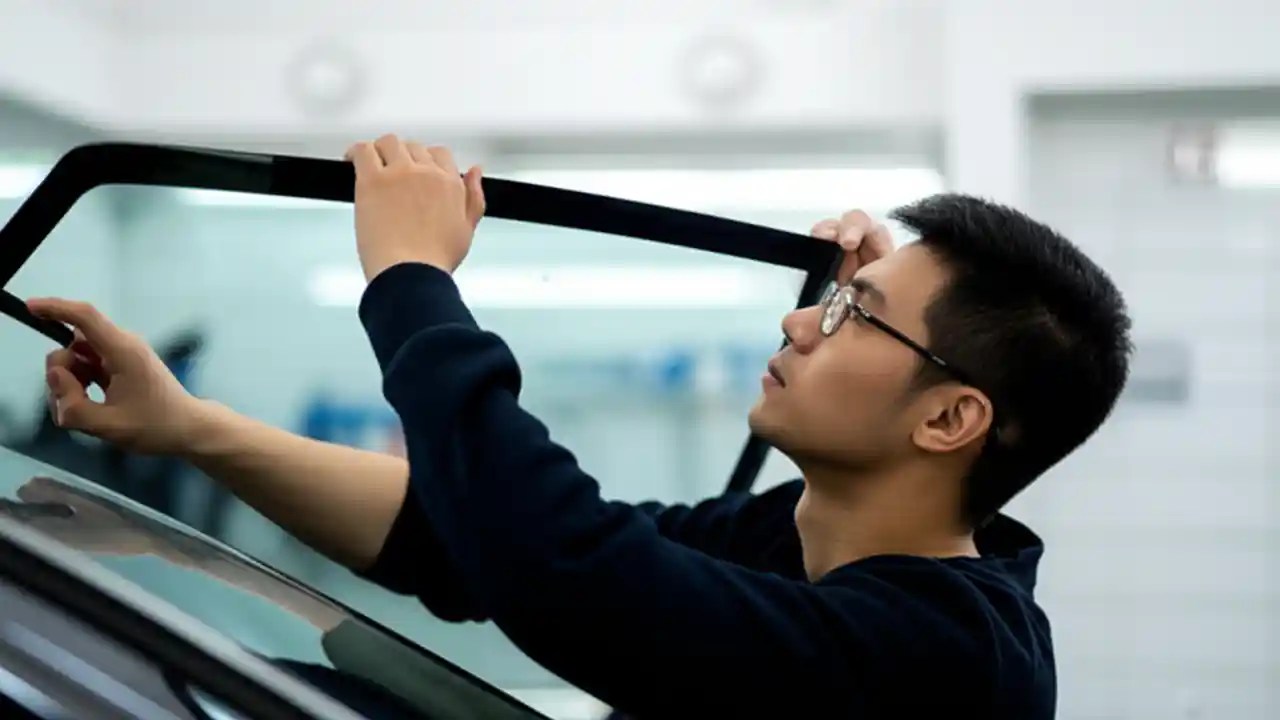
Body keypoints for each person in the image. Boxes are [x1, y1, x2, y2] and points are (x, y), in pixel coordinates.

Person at [27, 134, 1132, 718]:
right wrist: (191, 428)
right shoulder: (791, 547)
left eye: (852, 316)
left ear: (948, 417)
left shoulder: (943, 659)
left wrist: (410, 280)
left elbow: (568, 569)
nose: (800, 320)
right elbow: (463, 537)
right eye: (830, 300)